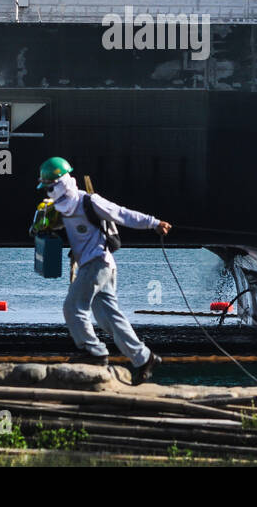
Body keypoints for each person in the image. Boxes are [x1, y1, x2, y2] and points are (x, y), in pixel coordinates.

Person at [36, 156, 171, 384]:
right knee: (108, 317)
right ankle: (144, 357)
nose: (48, 191)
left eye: (49, 186)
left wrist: (153, 223)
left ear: (59, 183)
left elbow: (122, 213)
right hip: (98, 266)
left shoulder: (88, 201)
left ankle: (94, 352)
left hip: (97, 263)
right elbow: (62, 226)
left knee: (73, 306)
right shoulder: (61, 208)